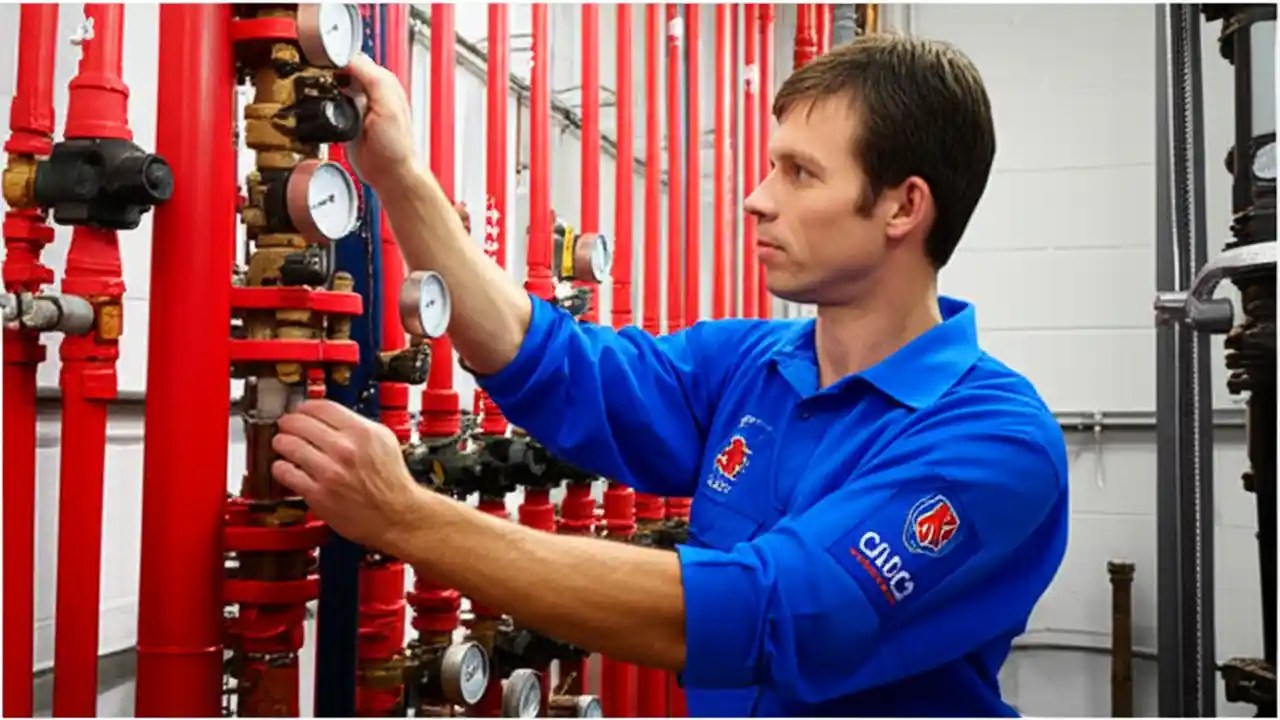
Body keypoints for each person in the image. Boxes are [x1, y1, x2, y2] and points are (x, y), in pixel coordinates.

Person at [271, 34, 1070, 717]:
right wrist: (401, 178)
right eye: (769, 166)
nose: (756, 200)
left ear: (903, 208)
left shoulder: (995, 442)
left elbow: (764, 614)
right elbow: (552, 362)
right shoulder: (750, 367)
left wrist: (406, 519)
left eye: (799, 173)